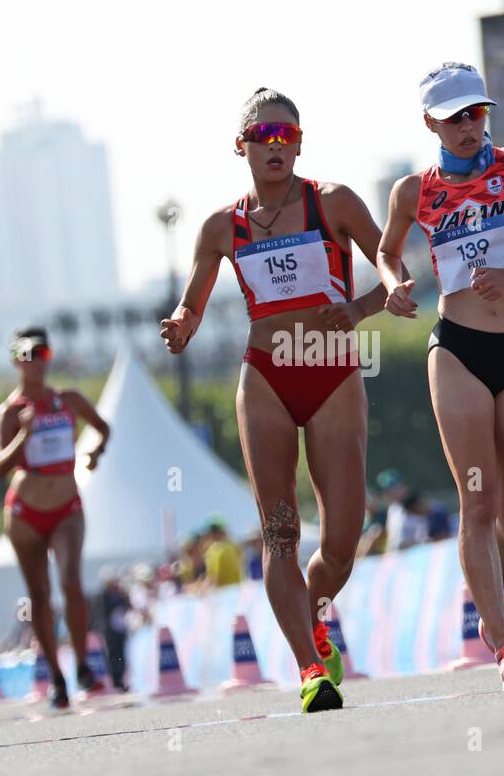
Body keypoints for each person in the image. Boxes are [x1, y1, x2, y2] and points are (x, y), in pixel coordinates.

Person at [160, 87, 393, 713]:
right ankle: (310, 668)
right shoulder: (220, 227)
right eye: (263, 136)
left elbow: (391, 263)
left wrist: (368, 304)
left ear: (299, 143)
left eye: (286, 135)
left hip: (329, 367)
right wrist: (182, 323)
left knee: (343, 536)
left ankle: (315, 611)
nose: (275, 145)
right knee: (280, 530)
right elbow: (194, 299)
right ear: (242, 146)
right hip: (265, 374)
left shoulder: (333, 202)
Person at [377, 62, 504, 689]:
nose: (470, 127)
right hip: (458, 348)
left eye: (477, 113)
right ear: (430, 124)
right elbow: (388, 251)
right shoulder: (412, 191)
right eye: (455, 118)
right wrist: (392, 285)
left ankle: (488, 601)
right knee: (478, 500)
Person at [0, 326, 111, 709]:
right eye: (26, 357)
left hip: (66, 508)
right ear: (15, 362)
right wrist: (22, 436)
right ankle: (57, 676)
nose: (35, 364)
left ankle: (81, 666)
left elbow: (103, 429)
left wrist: (95, 454)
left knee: (71, 582)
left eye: (41, 355)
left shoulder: (68, 399)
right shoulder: (10, 411)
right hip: (25, 513)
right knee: (40, 596)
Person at [96, 571, 130, 691]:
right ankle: (115, 681)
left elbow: (127, 605)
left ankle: (122, 679)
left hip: (120, 630)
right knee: (113, 656)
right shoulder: (104, 595)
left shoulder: (120, 594)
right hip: (110, 632)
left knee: (122, 656)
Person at [200, 518, 243, 588]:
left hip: (222, 593)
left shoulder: (216, 550)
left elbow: (214, 578)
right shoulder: (233, 546)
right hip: (237, 590)